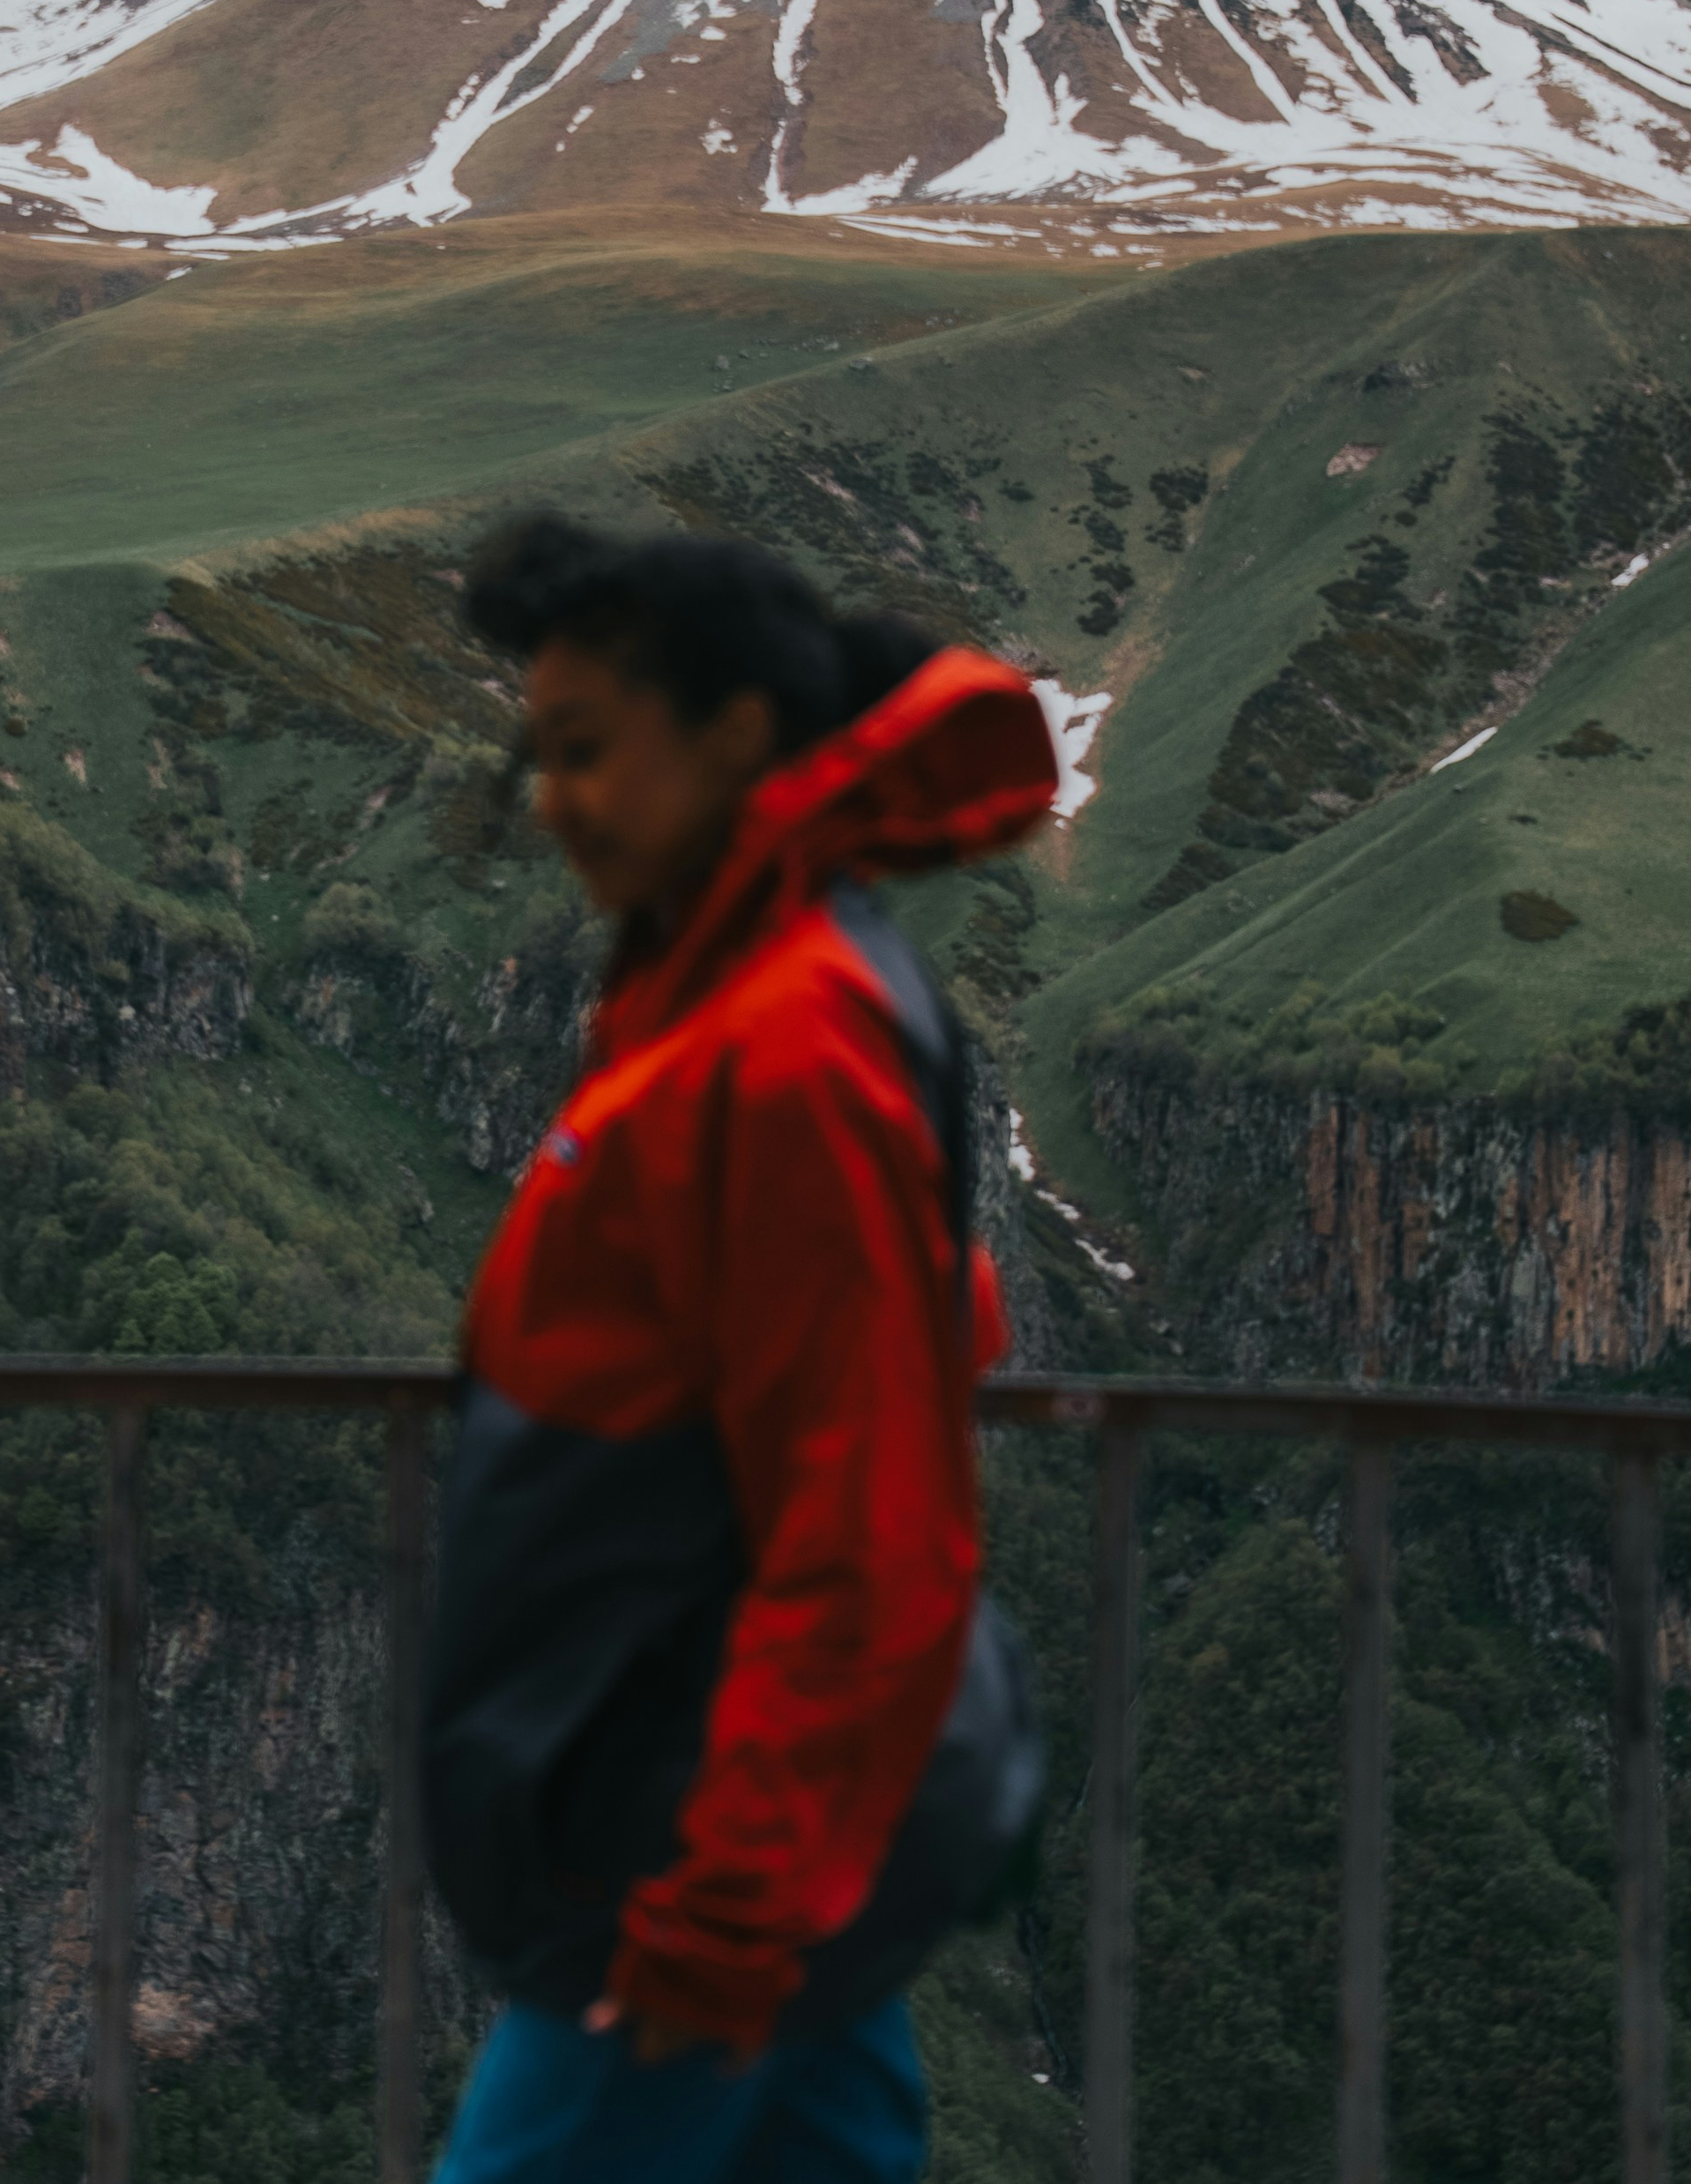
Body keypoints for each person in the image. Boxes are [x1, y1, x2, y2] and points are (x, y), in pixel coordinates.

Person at [421, 512, 1059, 2184]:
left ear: (734, 736)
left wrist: (726, 1907)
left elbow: (864, 1522)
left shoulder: (779, 1046)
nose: (552, 800)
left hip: (679, 1828)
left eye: (585, 748)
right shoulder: (736, 989)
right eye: (538, 755)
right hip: (731, 1804)